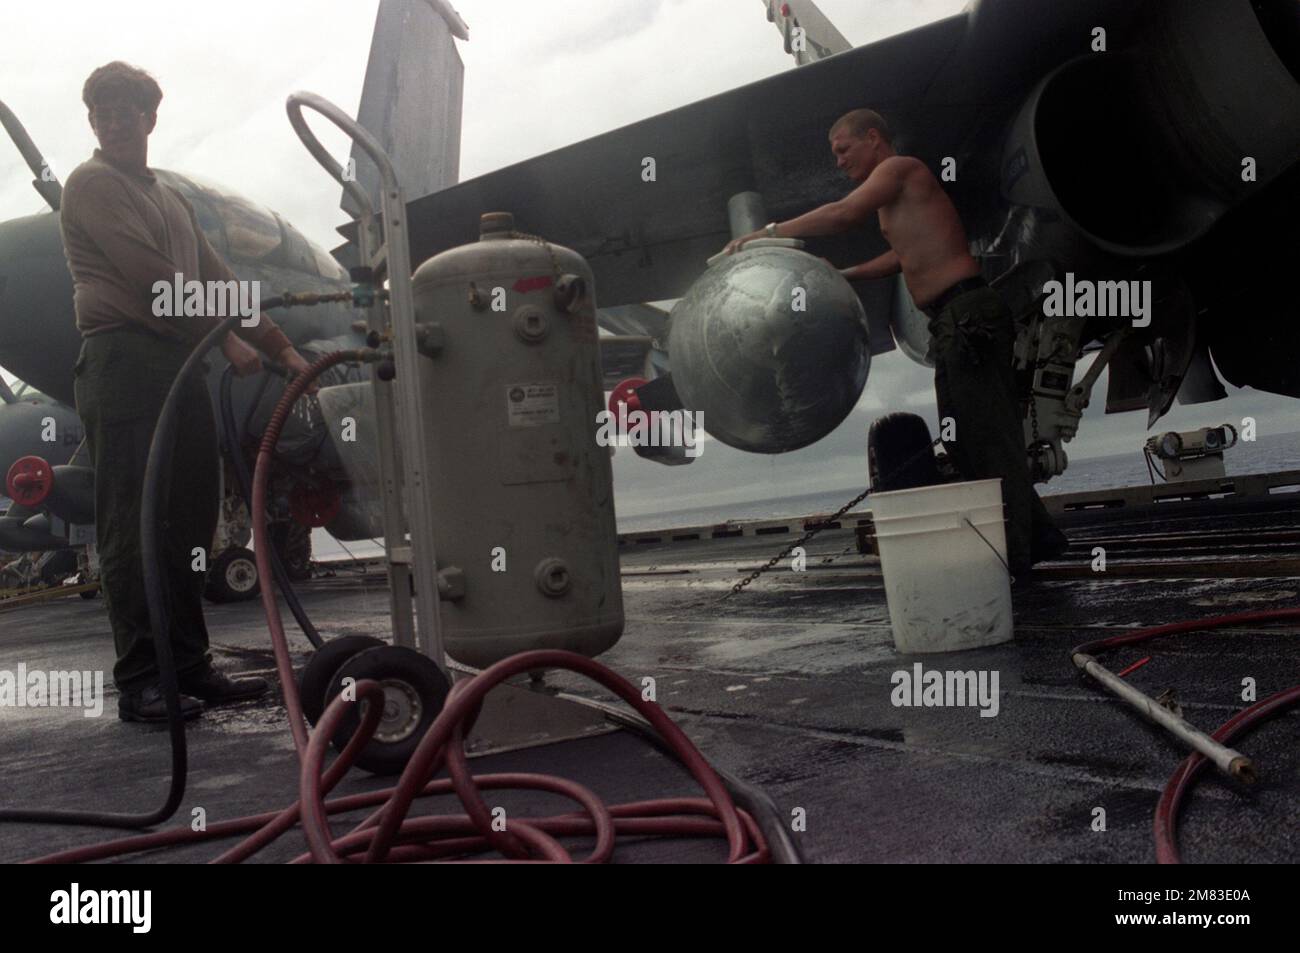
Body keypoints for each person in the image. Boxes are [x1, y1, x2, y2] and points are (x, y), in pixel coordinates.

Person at [60, 61, 313, 722]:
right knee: (133, 524)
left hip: (179, 361)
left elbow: (222, 279)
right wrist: (227, 340)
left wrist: (280, 346)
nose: (114, 122)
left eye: (126, 111)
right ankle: (143, 678)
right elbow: (150, 275)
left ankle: (190, 666)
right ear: (93, 123)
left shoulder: (170, 201)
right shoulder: (91, 183)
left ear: (150, 119)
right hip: (123, 360)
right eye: (103, 113)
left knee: (187, 523)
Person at [724, 108, 1067, 575]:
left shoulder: (899, 169)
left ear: (873, 138)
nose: (839, 162)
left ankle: (1018, 562)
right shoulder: (898, 195)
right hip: (954, 320)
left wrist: (767, 234)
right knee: (969, 440)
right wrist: (845, 275)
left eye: (843, 150)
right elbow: (900, 256)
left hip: (966, 315)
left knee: (986, 440)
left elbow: (843, 214)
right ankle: (1040, 540)